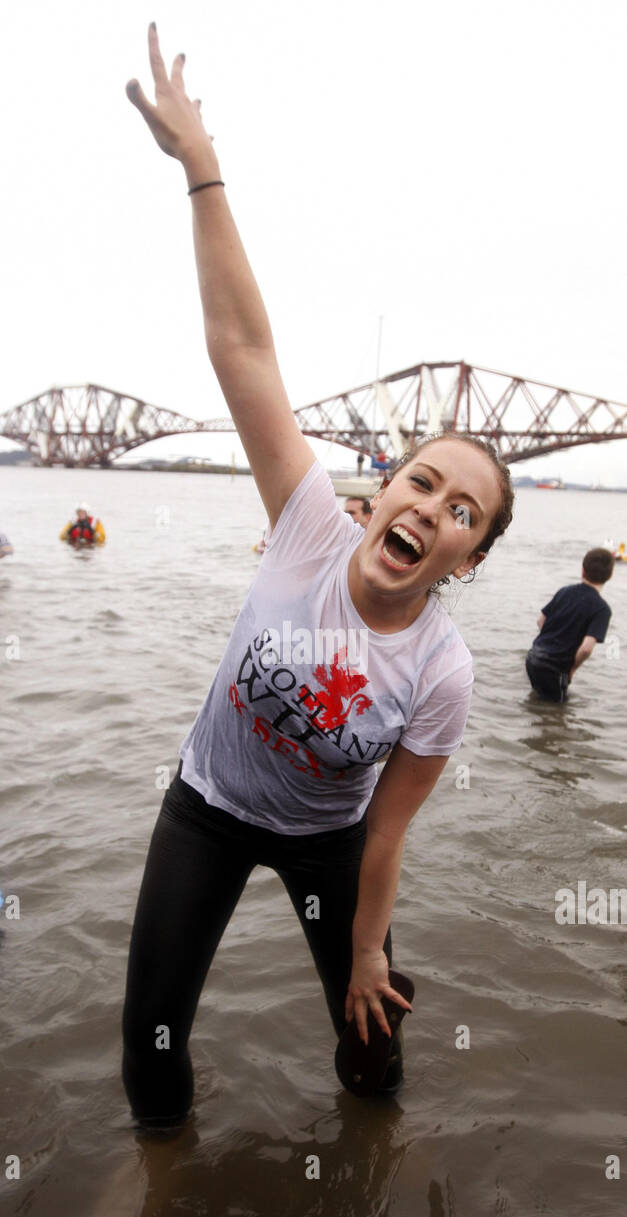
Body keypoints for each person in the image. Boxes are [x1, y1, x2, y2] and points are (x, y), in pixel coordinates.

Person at [121, 25, 514, 1127]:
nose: (432, 509)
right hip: (206, 806)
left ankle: (370, 1151)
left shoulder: (442, 671)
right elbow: (244, 347)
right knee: (149, 1029)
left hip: (328, 839)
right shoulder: (301, 520)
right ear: (382, 490)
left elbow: (384, 834)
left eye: (461, 512)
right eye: (423, 483)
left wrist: (362, 954)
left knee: (374, 1030)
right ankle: (160, 1179)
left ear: (466, 557)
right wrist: (202, 166)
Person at [525, 548, 614, 702]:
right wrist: (572, 669)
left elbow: (541, 621)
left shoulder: (565, 591)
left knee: (539, 700)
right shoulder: (601, 608)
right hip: (555, 667)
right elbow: (586, 649)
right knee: (556, 711)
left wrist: (553, 639)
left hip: (533, 658)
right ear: (610, 575)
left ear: (583, 570)